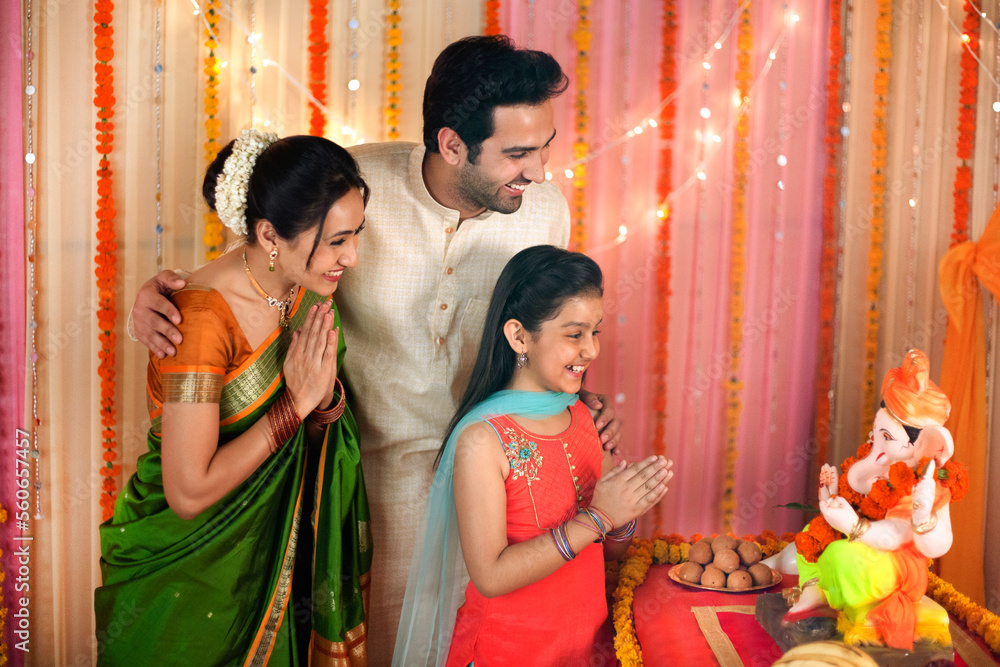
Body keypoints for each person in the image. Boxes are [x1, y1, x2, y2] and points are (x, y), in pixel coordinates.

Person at [129, 36, 623, 660]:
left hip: (505, 479)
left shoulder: (544, 211)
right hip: (373, 485)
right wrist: (162, 294)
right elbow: (266, 262)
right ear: (450, 144)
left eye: (544, 148)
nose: (539, 171)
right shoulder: (361, 188)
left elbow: (541, 330)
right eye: (518, 153)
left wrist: (577, 397)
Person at [95, 131, 373, 665]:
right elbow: (188, 492)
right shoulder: (199, 319)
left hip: (273, 554)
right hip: (192, 569)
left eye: (356, 234)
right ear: (270, 234)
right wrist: (295, 407)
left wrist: (320, 406)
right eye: (337, 240)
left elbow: (314, 418)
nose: (353, 257)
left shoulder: (306, 285)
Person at [394, 246, 673, 666]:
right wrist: (598, 517)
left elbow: (605, 552)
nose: (592, 350)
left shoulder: (583, 416)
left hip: (585, 649)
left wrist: (623, 511)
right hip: (503, 653)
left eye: (595, 331)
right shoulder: (483, 439)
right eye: (574, 334)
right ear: (519, 336)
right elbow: (490, 576)